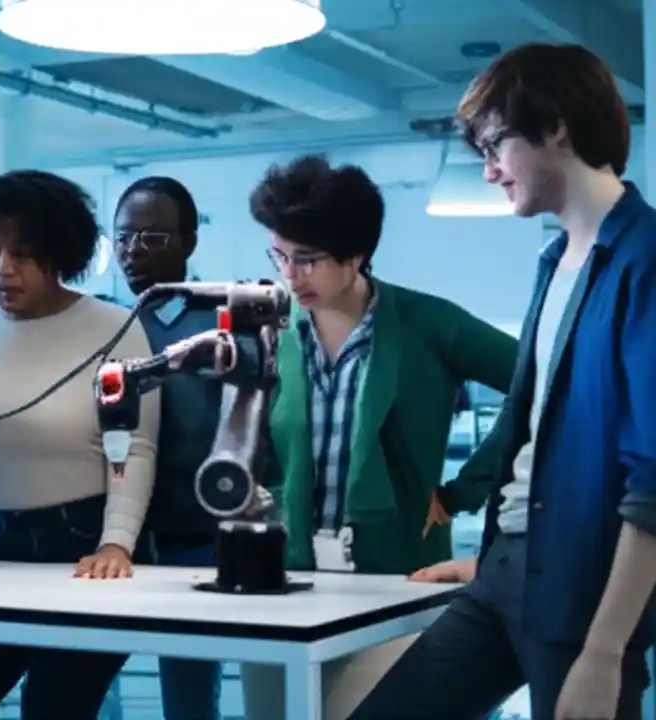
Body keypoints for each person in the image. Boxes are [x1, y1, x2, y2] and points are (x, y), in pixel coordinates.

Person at [352, 42, 656, 720]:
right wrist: (497, 551)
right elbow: (536, 443)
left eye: (495, 145)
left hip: (583, 595)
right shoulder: (555, 260)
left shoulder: (644, 259)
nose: (489, 172)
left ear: (555, 128)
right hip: (508, 574)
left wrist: (605, 649)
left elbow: (655, 480)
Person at [237, 154, 518, 720]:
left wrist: (466, 490)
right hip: (287, 581)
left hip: (398, 577)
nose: (290, 276)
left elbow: (541, 389)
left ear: (357, 254)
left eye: (308, 260)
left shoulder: (426, 322)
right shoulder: (273, 331)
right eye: (281, 257)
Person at [0, 169, 160, 720]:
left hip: (88, 545)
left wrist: (117, 544)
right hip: (5, 544)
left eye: (22, 253)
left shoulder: (115, 328)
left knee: (53, 711)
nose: (2, 269)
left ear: (60, 253)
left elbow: (134, 446)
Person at [111, 175, 225, 720]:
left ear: (188, 242)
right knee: (85, 669)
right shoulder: (102, 324)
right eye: (124, 238)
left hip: (193, 531)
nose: (134, 252)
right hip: (109, 534)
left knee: (189, 687)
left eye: (152, 239)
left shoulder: (223, 324)